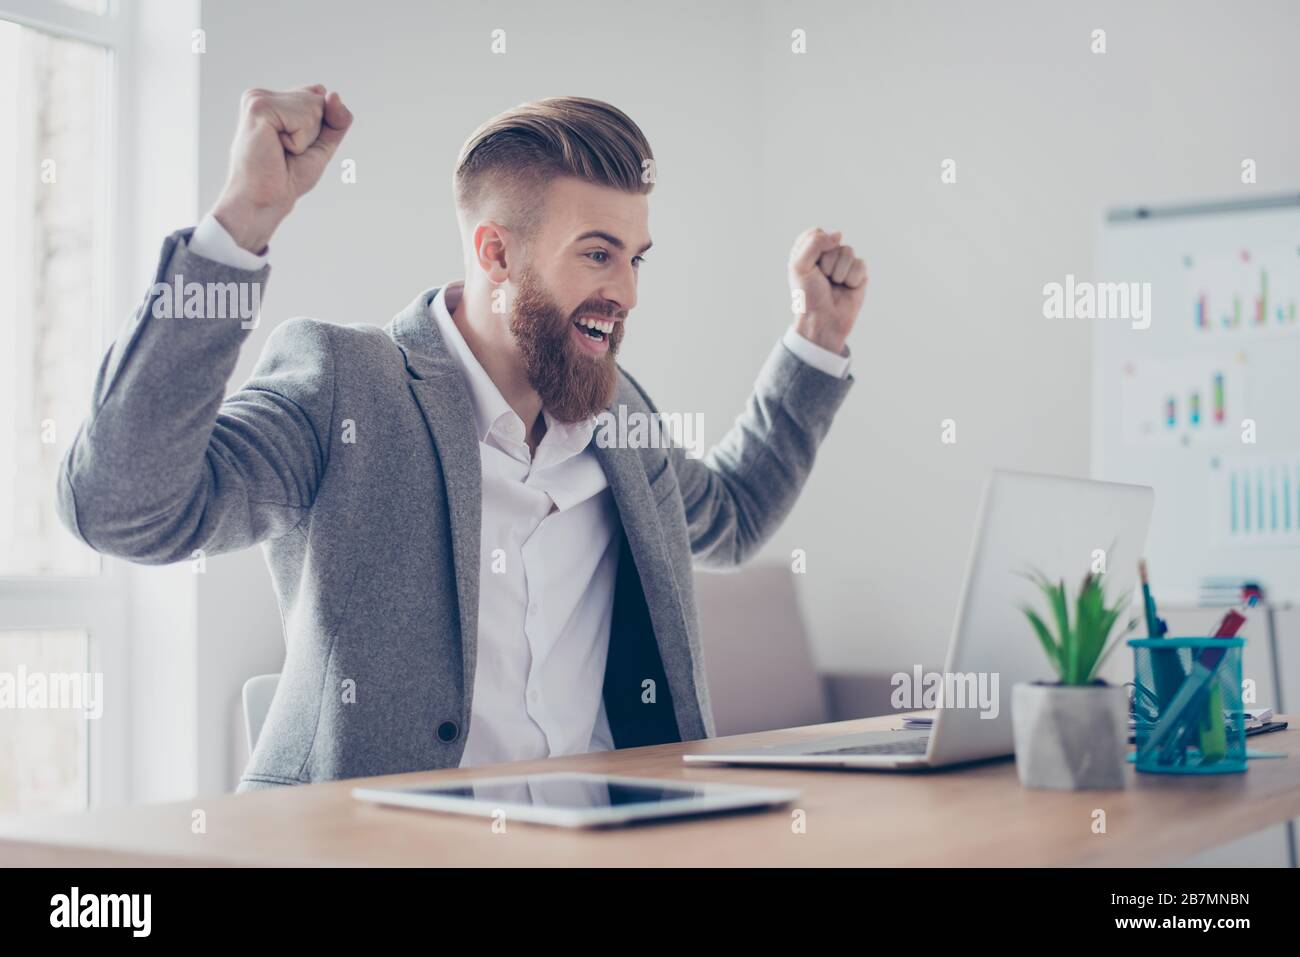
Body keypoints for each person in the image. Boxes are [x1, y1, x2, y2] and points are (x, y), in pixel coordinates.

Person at [55, 87, 867, 791]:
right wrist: (239, 227)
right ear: (497, 252)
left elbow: (732, 516)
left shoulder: (620, 416)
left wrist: (815, 343)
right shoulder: (349, 383)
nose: (624, 291)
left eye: (635, 259)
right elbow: (124, 506)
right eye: (597, 254)